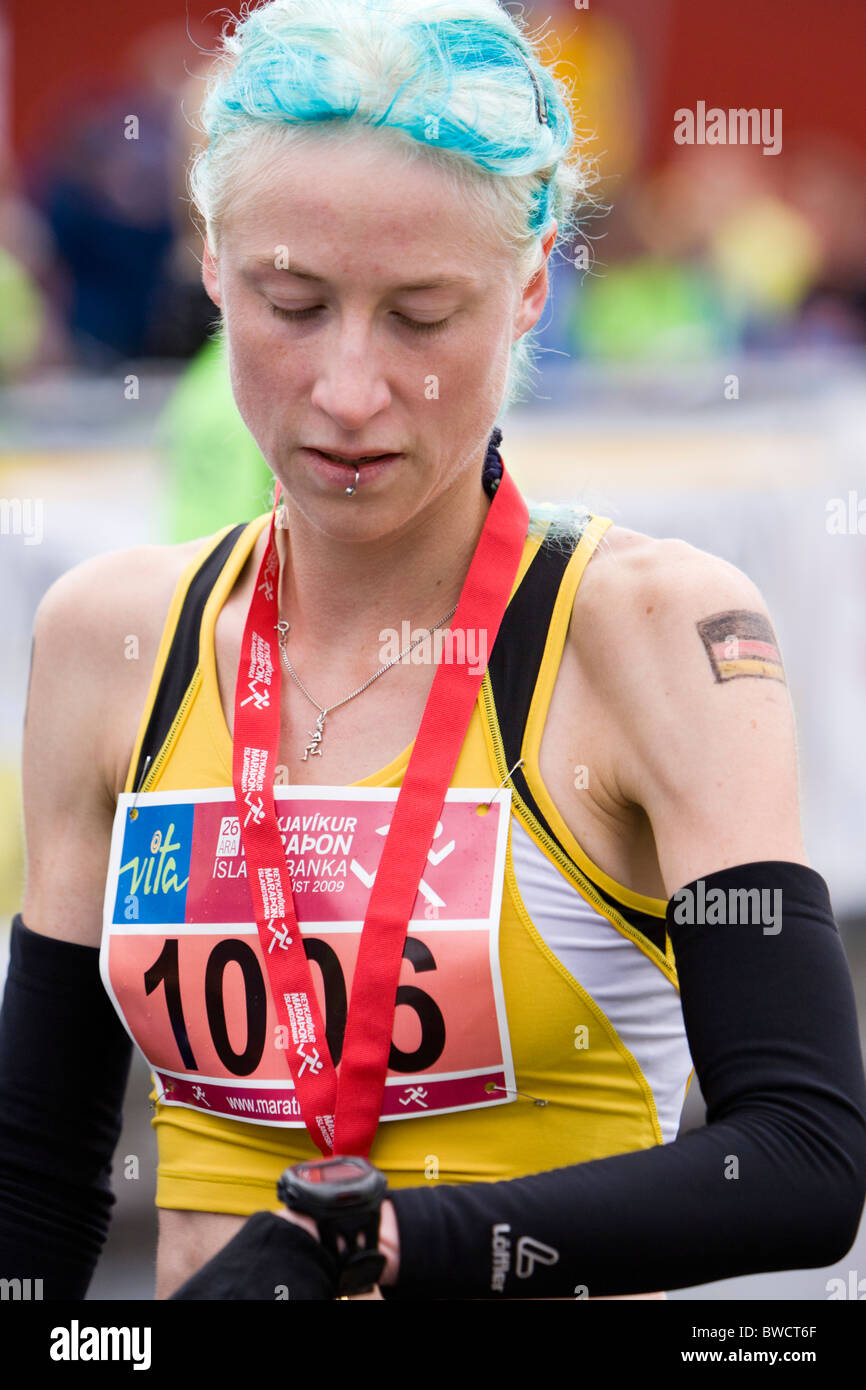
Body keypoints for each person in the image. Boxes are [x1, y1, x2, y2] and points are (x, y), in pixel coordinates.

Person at [3, 0, 865, 1303]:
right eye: (292, 303)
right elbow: (40, 1169)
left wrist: (382, 1247)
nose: (349, 390)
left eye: (420, 315)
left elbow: (803, 1157)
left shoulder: (652, 631)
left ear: (526, 293)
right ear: (216, 272)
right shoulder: (109, 639)